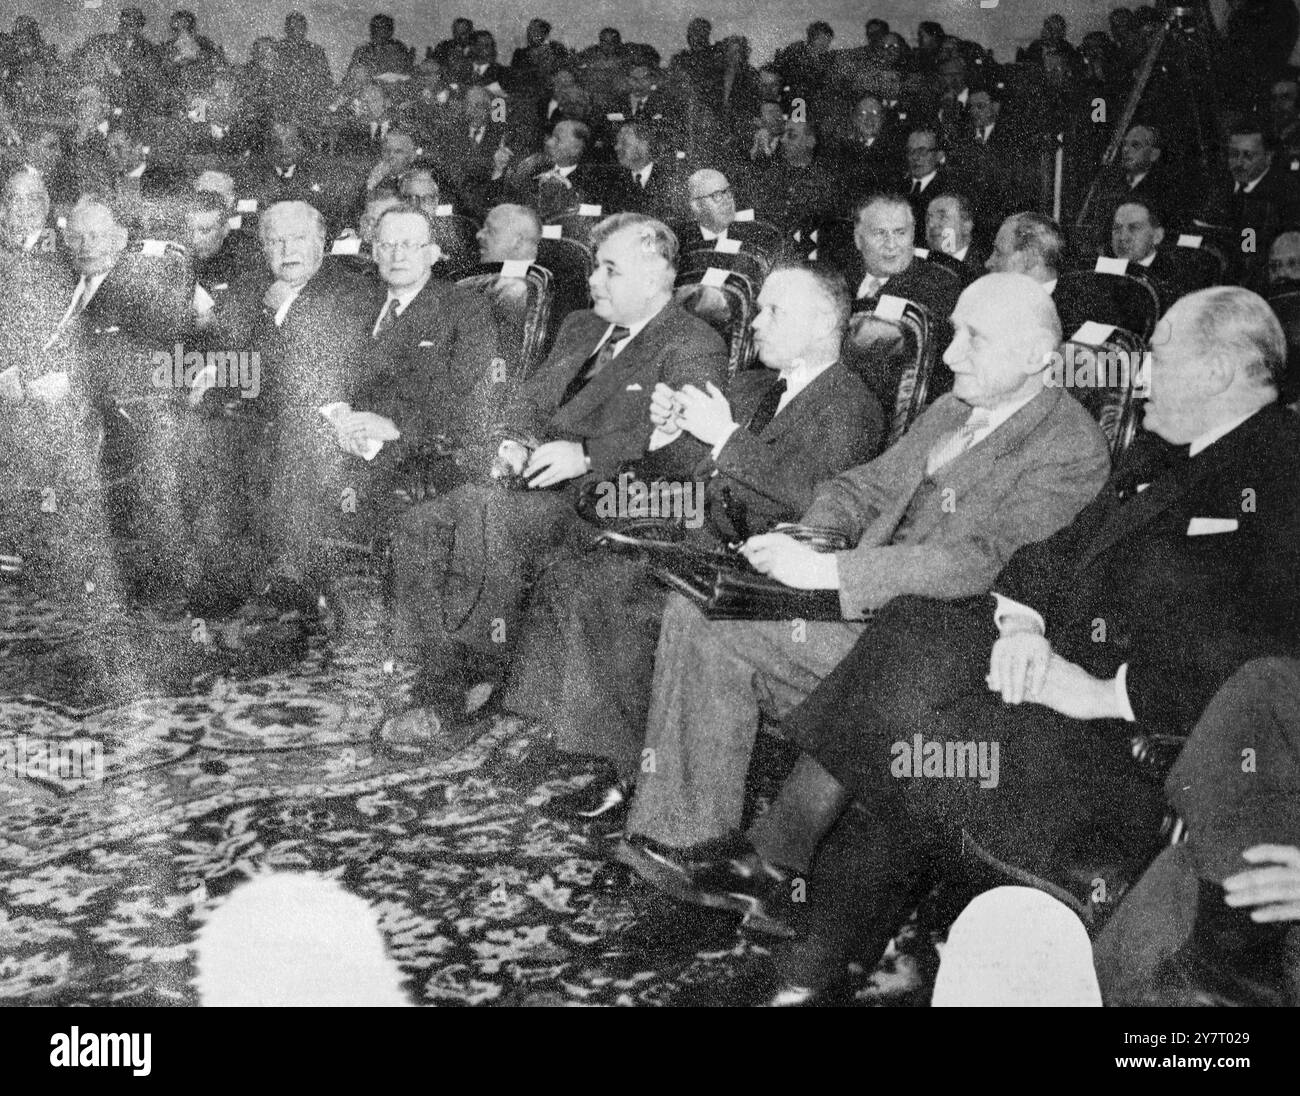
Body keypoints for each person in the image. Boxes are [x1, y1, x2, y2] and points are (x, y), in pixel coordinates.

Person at [699, 285, 1300, 1005]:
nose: (1136, 378)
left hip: (1137, 742)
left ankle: (800, 916)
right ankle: (814, 942)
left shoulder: (1278, 470)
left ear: (1223, 370)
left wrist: (1099, 692)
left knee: (918, 722)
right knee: (917, 643)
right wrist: (1024, 626)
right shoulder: (1161, 453)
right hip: (1046, 684)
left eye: (1159, 359)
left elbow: (1264, 661)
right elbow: (1045, 559)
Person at [608, 273, 1109, 889]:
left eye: (974, 340)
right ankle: (680, 844)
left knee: (714, 622)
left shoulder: (1070, 446)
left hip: (925, 655)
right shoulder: (953, 407)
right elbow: (860, 487)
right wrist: (806, 538)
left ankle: (728, 858)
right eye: (954, 335)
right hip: (859, 617)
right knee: (702, 607)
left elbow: (981, 563)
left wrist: (829, 571)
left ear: (1038, 357)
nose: (950, 356)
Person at [508, 265, 884, 827]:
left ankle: (636, 777)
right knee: (577, 564)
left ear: (823, 322)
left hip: (757, 559)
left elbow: (814, 501)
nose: (755, 322)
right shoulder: (754, 385)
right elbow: (677, 469)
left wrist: (724, 437)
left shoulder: (851, 406)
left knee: (618, 593)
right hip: (692, 525)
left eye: (774, 312)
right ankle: (597, 743)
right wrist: (667, 432)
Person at [380, 214, 728, 750]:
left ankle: (463, 684)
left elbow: (685, 449)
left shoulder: (691, 343)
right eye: (596, 268)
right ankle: (437, 664)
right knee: (421, 525)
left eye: (610, 270)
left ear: (656, 274)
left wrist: (587, 455)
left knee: (488, 516)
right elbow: (529, 400)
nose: (593, 281)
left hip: (610, 497)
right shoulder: (582, 327)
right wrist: (515, 439)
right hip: (534, 481)